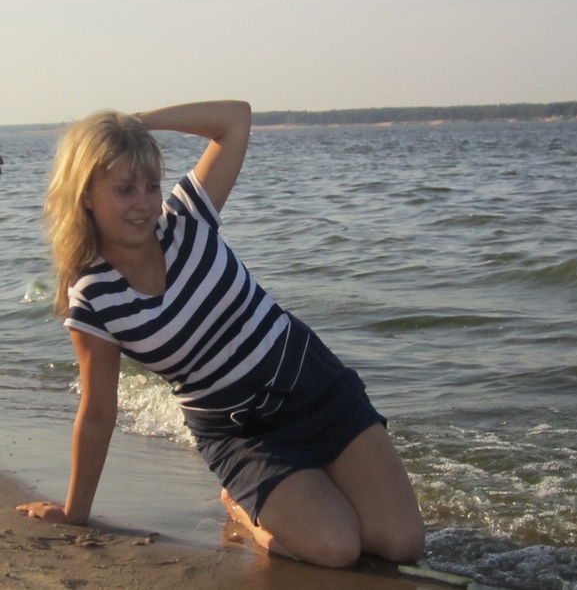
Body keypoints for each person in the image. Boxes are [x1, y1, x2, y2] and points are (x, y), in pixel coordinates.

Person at [16, 101, 424, 568]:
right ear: (86, 195)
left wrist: (135, 125)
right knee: (337, 549)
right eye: (124, 189)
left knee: (402, 544)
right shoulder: (94, 296)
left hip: (314, 387)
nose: (144, 204)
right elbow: (98, 412)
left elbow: (236, 119)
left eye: (151, 186)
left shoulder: (186, 218)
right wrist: (75, 513)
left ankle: (314, 493)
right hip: (242, 434)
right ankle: (246, 510)